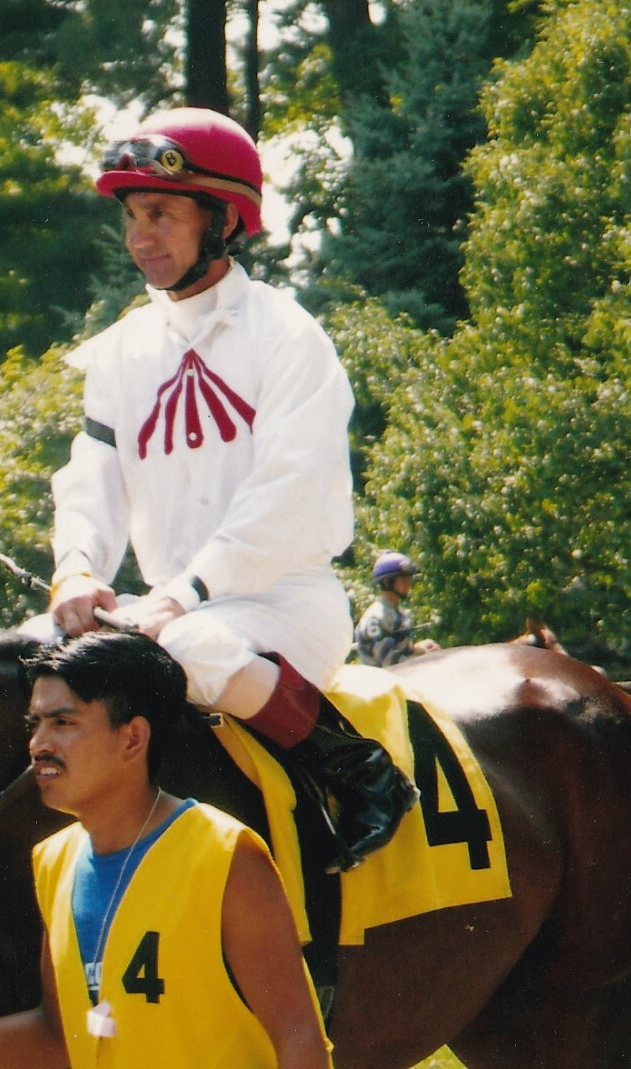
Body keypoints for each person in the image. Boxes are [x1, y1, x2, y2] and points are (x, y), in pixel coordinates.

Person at [44, 106, 414, 869]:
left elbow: (288, 495)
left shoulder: (286, 335)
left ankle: (359, 769)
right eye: (133, 216)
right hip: (158, 613)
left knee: (184, 644)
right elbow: (94, 476)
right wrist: (78, 569)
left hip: (281, 607)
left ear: (223, 220)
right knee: (34, 656)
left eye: (162, 214)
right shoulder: (119, 351)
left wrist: (183, 593)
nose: (141, 236)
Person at [0, 631, 332, 1068]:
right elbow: (62, 1038)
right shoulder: (53, 861)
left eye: (63, 722)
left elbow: (300, 1041)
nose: (38, 743)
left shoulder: (225, 855)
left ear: (133, 738)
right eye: (35, 722)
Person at [354, 551, 441, 667]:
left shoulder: (396, 611)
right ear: (387, 581)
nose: (408, 583)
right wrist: (424, 657)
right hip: (379, 682)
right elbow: (390, 662)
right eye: (403, 579)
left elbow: (400, 648)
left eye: (409, 578)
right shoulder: (375, 618)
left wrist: (417, 648)